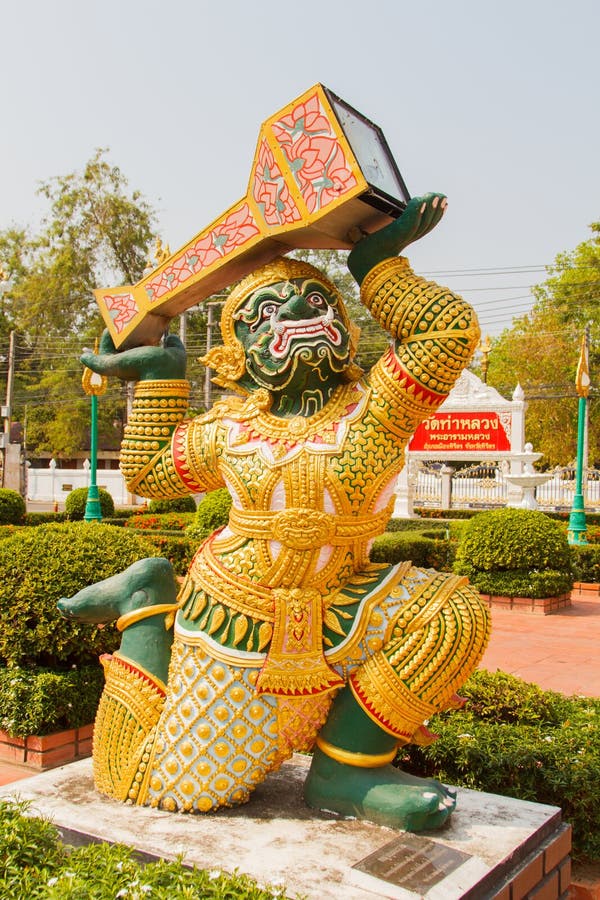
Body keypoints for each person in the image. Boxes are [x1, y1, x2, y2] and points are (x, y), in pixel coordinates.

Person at [82, 193, 490, 831]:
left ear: (344, 330)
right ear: (241, 350)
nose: (297, 311)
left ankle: (347, 772)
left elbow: (446, 332)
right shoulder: (233, 425)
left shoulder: (375, 411)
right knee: (166, 786)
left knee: (451, 616)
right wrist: (162, 377)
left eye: (317, 303)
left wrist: (376, 266)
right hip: (237, 613)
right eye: (265, 313)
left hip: (336, 600)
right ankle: (146, 599)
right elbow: (147, 474)